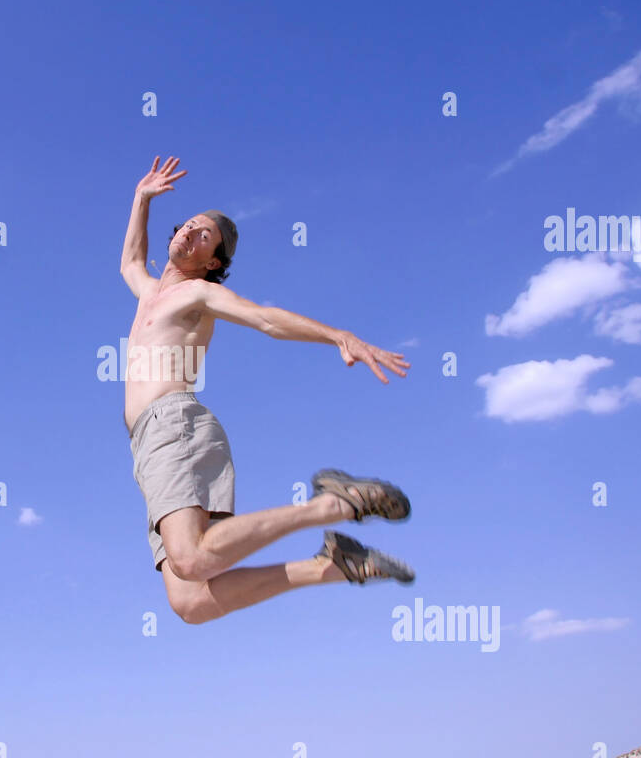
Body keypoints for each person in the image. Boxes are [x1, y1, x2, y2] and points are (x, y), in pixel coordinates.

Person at [120, 155, 418, 625]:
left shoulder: (199, 295)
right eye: (192, 225)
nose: (191, 232)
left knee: (192, 559)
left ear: (212, 261)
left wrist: (337, 334)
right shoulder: (150, 291)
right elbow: (131, 260)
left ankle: (337, 505)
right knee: (191, 601)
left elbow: (264, 318)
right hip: (148, 442)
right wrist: (141, 199)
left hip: (174, 425)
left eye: (204, 236)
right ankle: (329, 566)